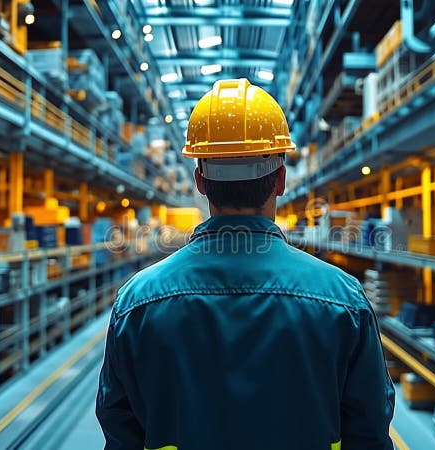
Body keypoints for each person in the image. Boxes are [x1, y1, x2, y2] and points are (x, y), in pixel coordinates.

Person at [96, 78, 394, 450]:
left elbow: (120, 433)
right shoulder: (343, 300)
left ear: (200, 181)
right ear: (281, 180)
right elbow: (369, 435)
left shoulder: (137, 303)